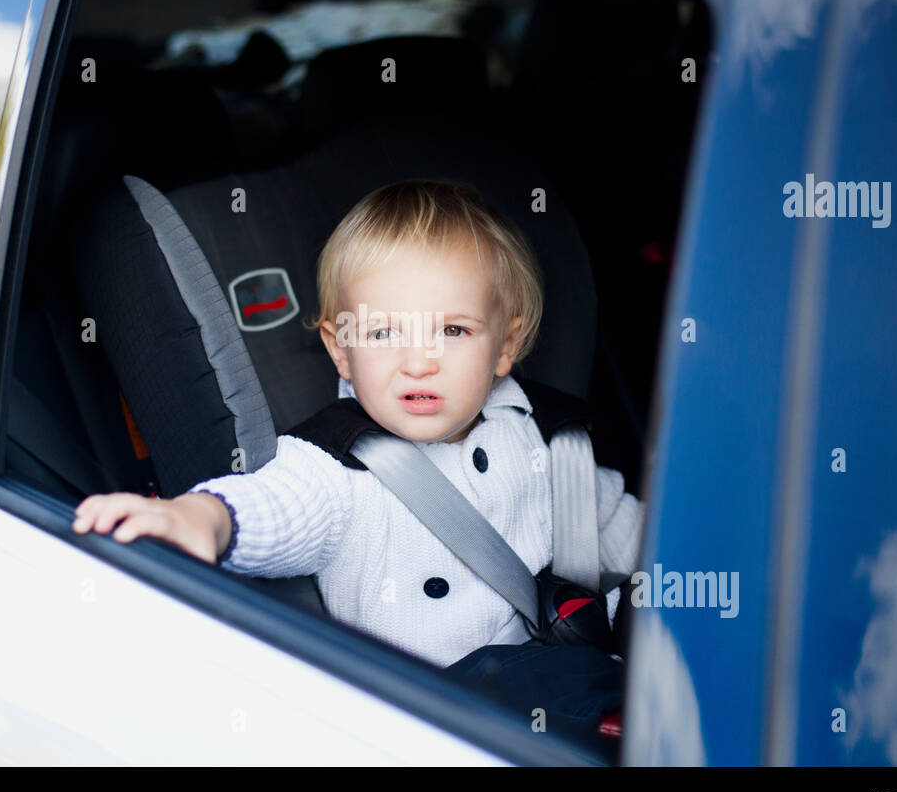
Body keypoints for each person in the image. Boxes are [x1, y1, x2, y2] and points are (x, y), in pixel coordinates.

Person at [72, 179, 642, 741]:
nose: (419, 362)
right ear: (341, 350)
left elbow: (627, 533)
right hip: (441, 720)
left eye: (452, 330)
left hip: (580, 676)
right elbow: (273, 504)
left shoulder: (546, 437)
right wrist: (197, 517)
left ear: (505, 347)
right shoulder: (336, 467)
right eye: (384, 332)